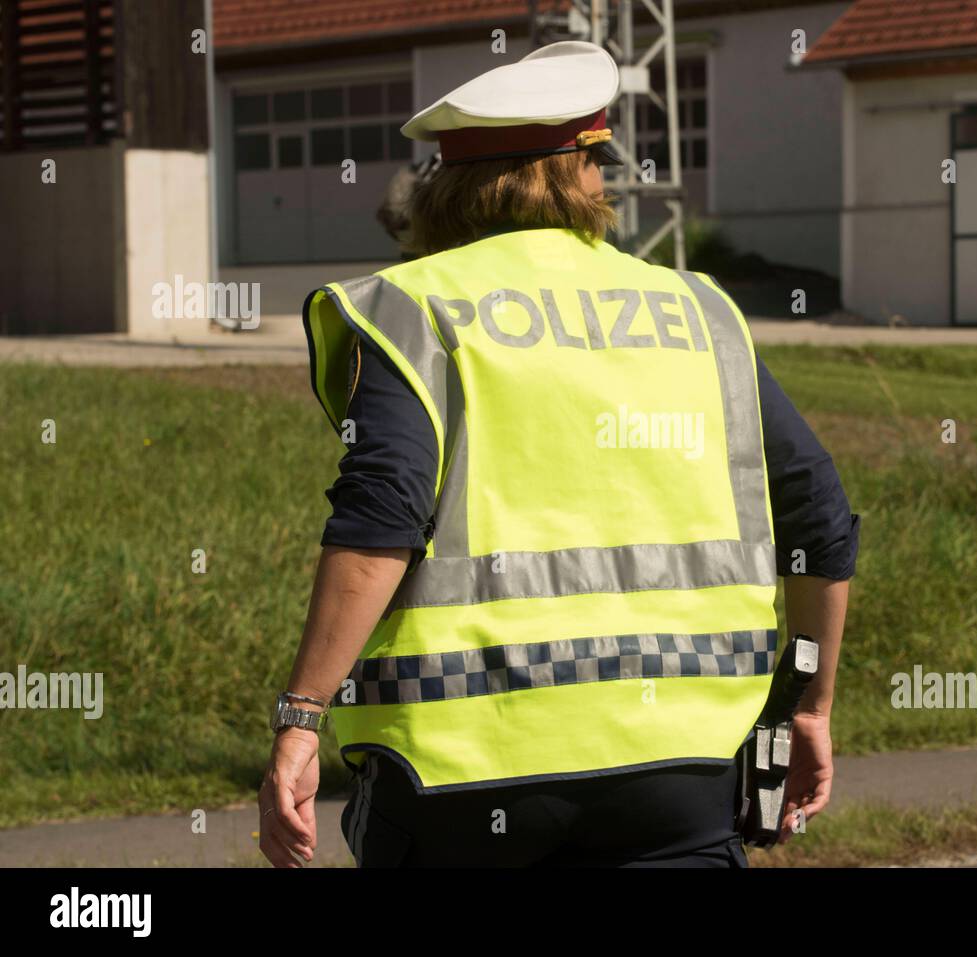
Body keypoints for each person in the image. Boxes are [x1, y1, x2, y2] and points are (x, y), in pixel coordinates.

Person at [258, 40, 858, 868]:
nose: (606, 180)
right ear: (574, 172)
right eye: (598, 161)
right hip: (679, 775)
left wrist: (301, 717)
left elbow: (381, 519)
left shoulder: (412, 309)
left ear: (450, 184)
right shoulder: (698, 309)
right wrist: (809, 707)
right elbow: (818, 518)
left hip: (458, 777)